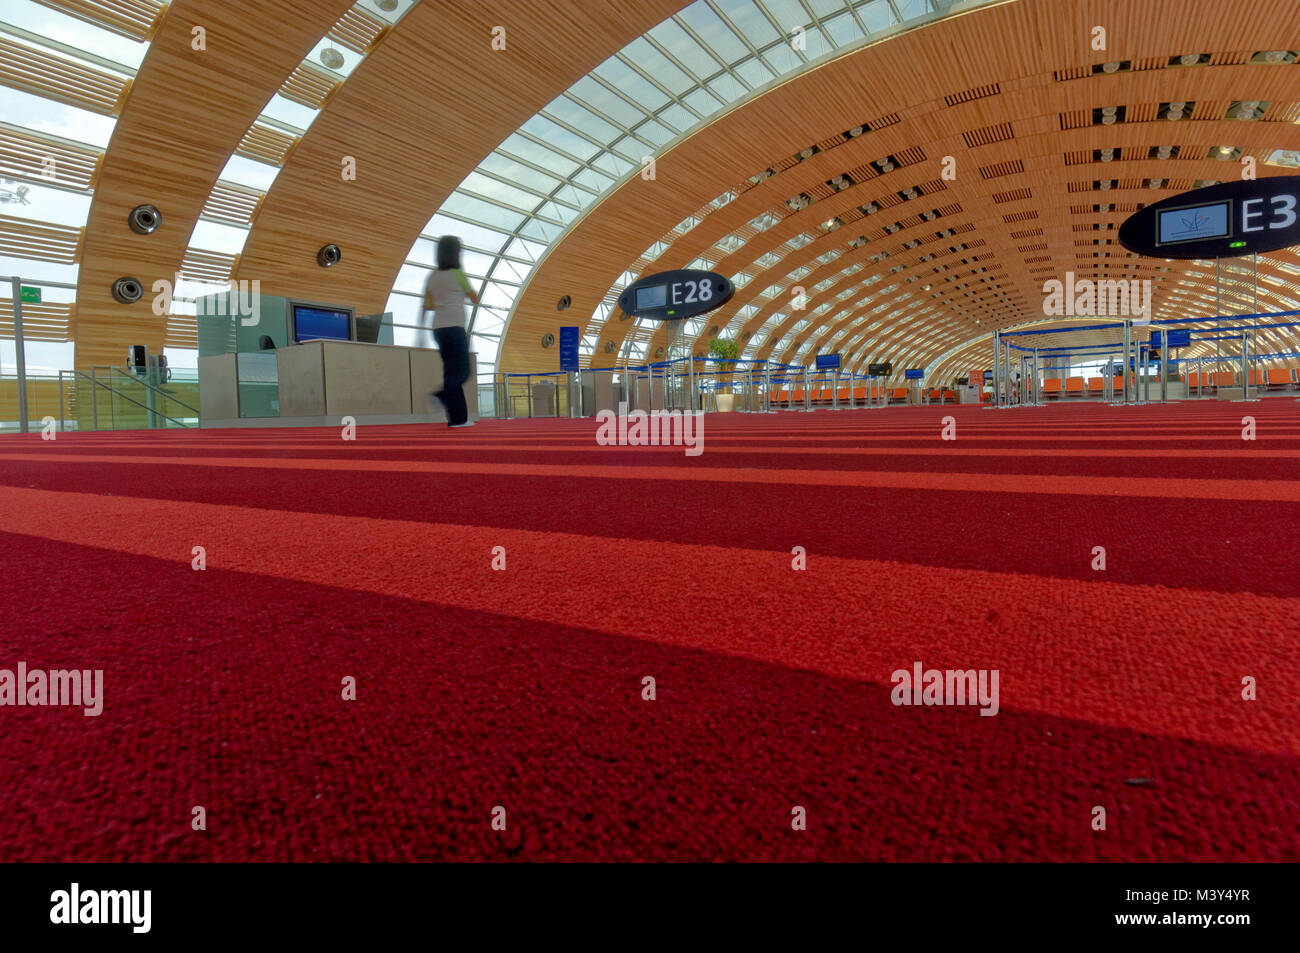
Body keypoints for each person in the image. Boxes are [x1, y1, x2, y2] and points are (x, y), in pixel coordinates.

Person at [422, 235, 478, 428]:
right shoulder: (457, 274)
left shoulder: (432, 276)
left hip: (438, 329)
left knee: (451, 373)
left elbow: (427, 305)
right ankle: (441, 395)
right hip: (455, 326)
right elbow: (474, 297)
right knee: (462, 372)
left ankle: (457, 419)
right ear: (455, 253)